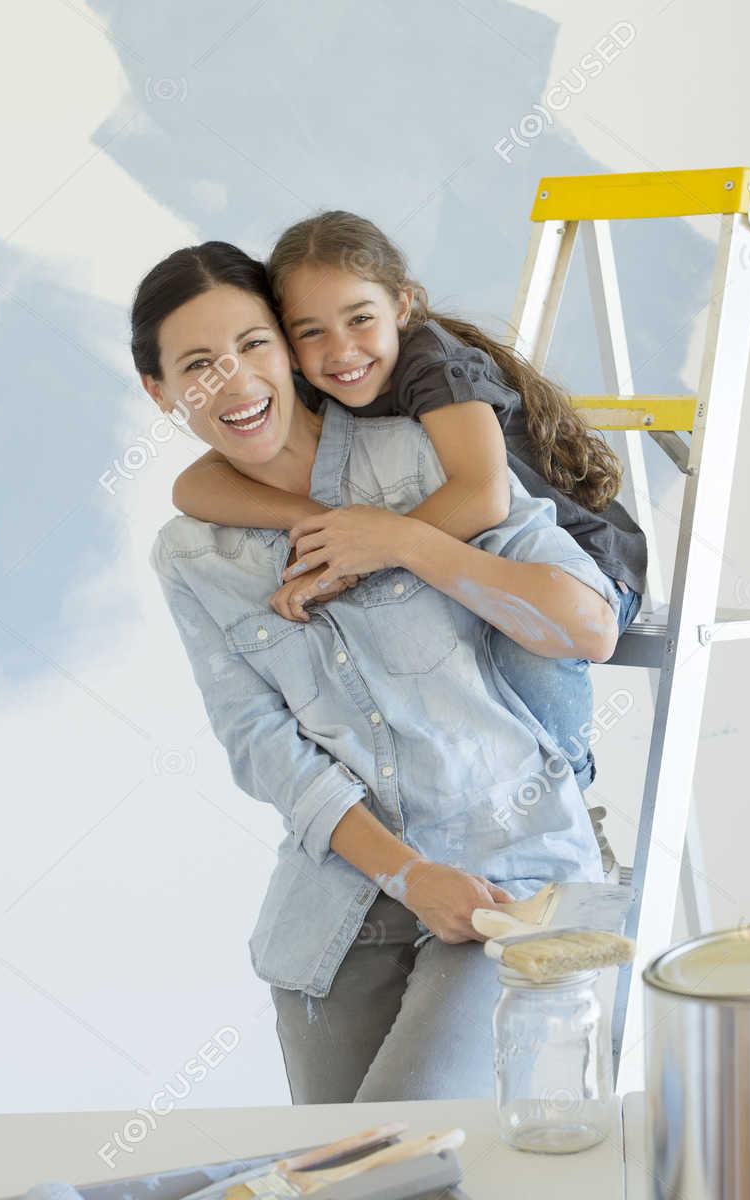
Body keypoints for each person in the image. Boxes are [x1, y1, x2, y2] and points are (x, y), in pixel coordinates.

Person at [131, 240, 616, 1103]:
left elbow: (590, 626)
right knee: (333, 1164)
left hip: (508, 878)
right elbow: (260, 745)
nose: (235, 382)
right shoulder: (191, 553)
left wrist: (403, 541)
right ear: (160, 392)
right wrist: (406, 875)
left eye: (252, 344)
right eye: (198, 366)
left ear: (288, 348)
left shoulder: (425, 457)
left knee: (397, 1146)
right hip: (333, 911)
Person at [170, 212, 645, 870]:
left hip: (579, 562)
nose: (341, 350)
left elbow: (484, 496)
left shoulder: (432, 364)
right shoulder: (309, 381)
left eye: (360, 319)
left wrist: (359, 559)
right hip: (465, 555)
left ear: (402, 304)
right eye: (310, 332)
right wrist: (319, 523)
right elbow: (191, 487)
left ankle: (574, 809)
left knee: (519, 652)